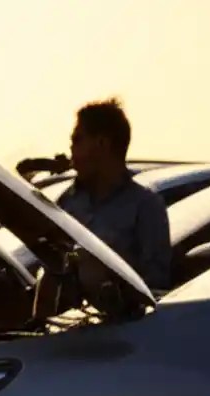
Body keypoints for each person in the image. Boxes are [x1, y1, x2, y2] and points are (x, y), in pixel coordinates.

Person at [56, 98, 171, 294]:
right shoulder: (67, 203)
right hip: (67, 322)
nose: (71, 151)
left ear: (102, 143)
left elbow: (156, 282)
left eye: (78, 140)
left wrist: (112, 284)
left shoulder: (145, 207)